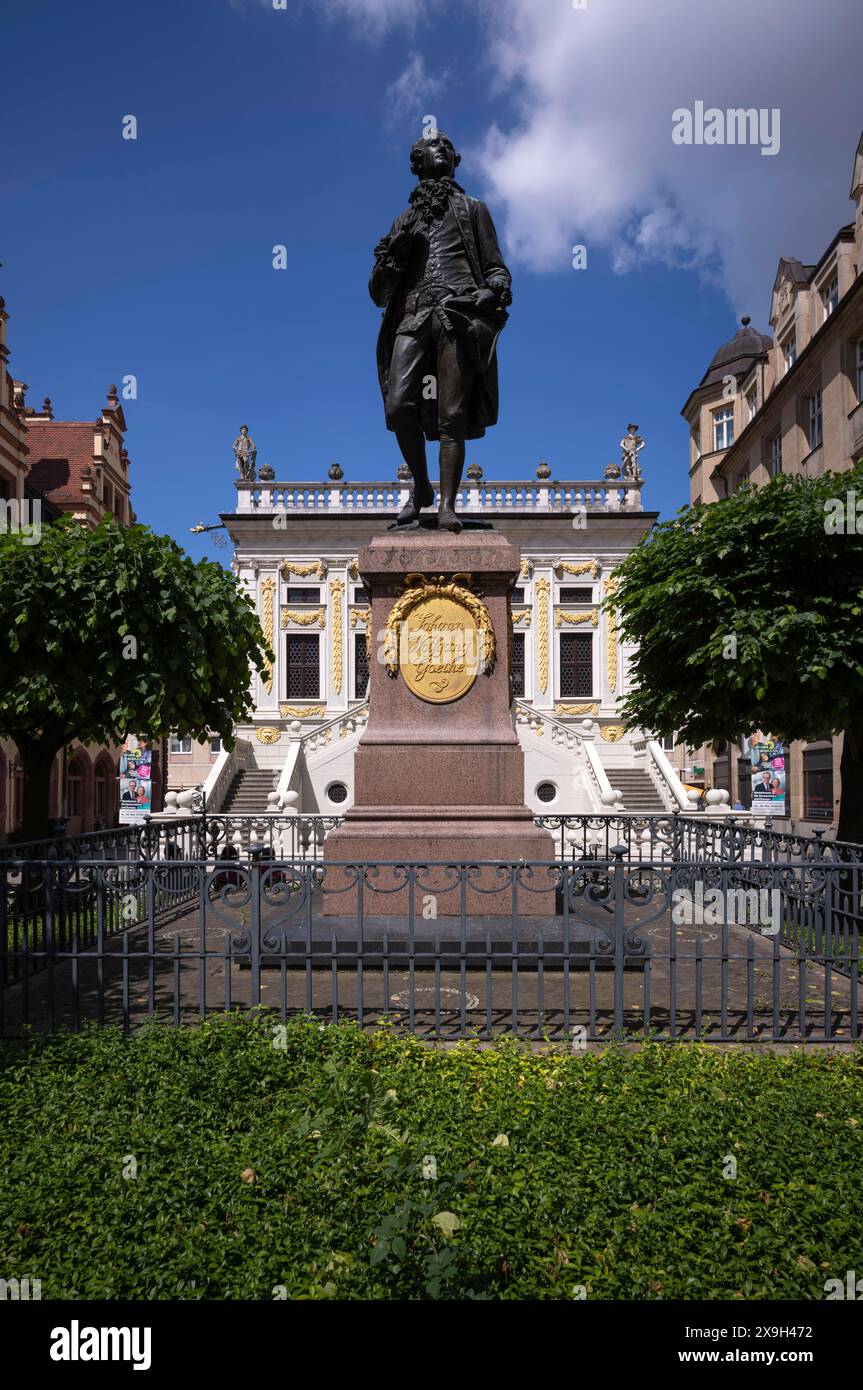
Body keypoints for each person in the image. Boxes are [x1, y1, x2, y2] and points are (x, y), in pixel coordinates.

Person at [370, 130, 512, 532]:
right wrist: (394, 257)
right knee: (398, 405)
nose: (446, 150)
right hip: (413, 316)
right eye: (437, 145)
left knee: (452, 414)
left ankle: (447, 504)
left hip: (456, 316)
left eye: (450, 147)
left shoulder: (473, 209)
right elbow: (378, 294)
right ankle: (421, 486)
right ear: (417, 161)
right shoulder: (402, 221)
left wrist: (490, 291)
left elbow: (497, 268)